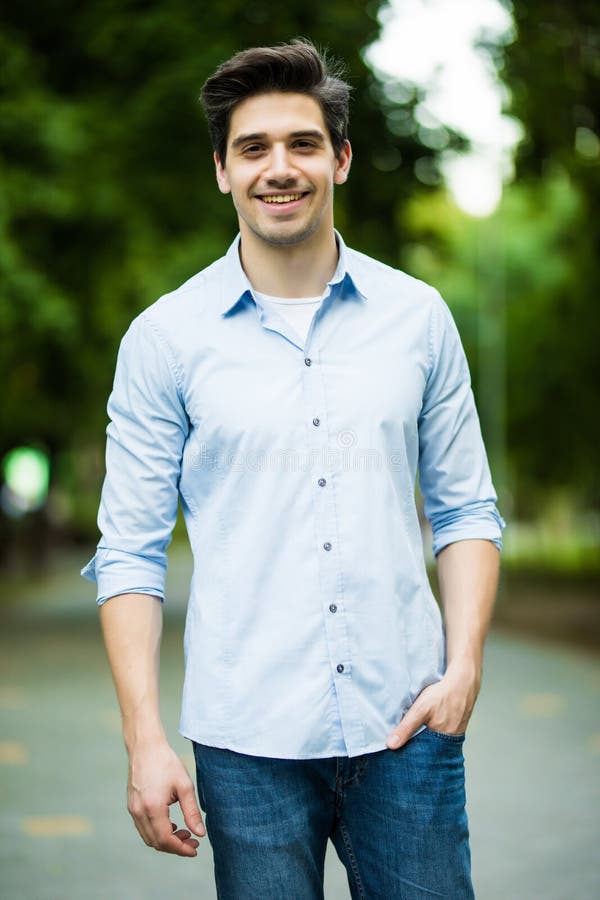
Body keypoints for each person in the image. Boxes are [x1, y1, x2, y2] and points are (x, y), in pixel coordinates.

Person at [82, 39, 505, 899]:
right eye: (254, 148)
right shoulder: (166, 339)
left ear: (340, 159)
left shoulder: (418, 320)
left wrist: (462, 668)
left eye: (303, 144)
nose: (280, 168)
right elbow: (128, 551)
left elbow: (465, 509)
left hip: (408, 728)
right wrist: (145, 738)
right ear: (222, 171)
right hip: (247, 747)